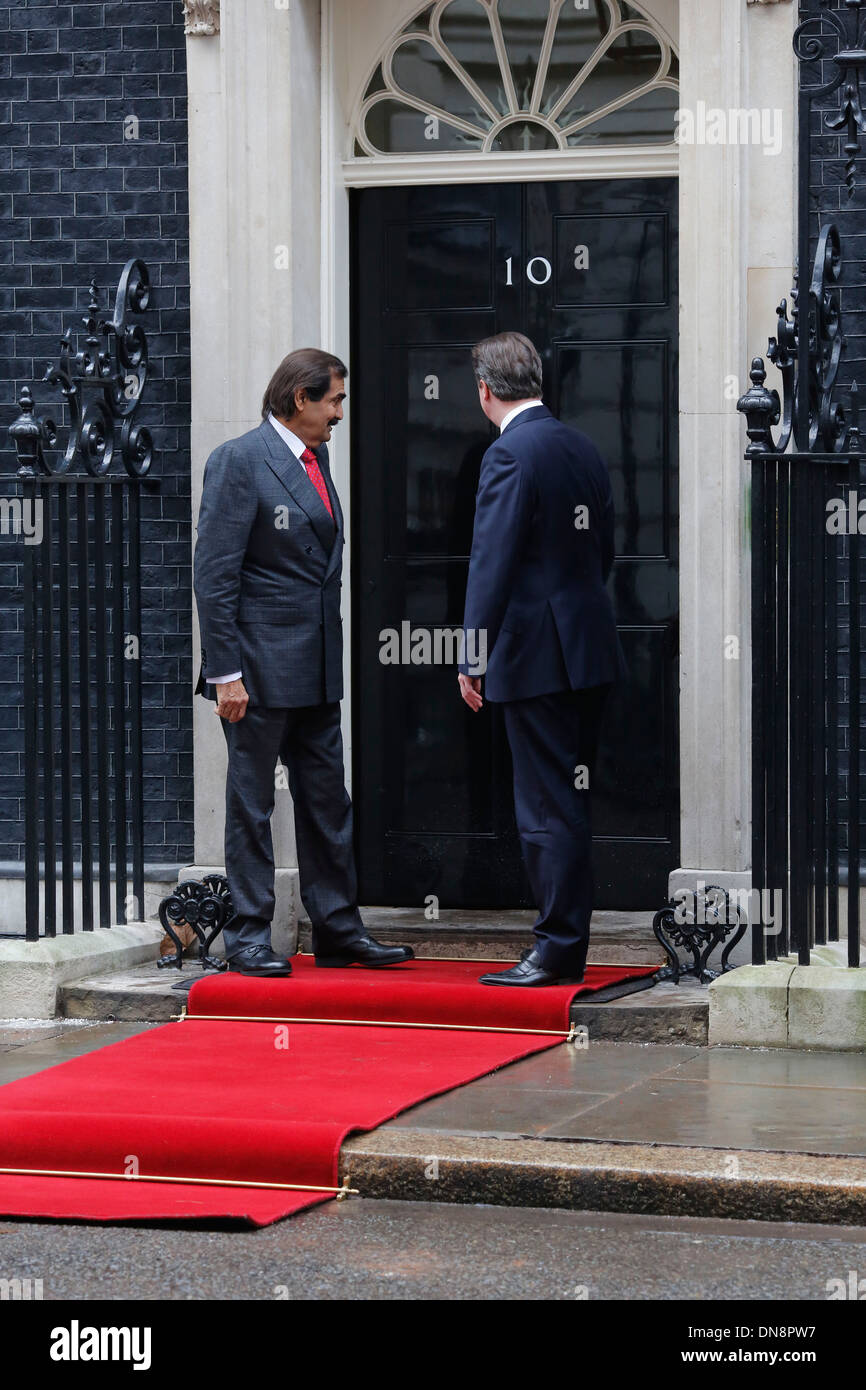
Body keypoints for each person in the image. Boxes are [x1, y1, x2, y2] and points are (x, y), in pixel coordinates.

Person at [194, 348, 413, 978]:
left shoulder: (314, 461)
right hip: (256, 674)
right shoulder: (240, 461)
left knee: (327, 802)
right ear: (301, 398)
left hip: (316, 669)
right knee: (252, 804)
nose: (341, 412)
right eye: (335, 399)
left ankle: (340, 930)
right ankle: (248, 936)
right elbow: (215, 577)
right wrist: (224, 673)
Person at [459, 332, 626, 987]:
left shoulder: (509, 454)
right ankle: (566, 943)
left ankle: (555, 949)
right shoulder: (580, 445)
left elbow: (491, 564)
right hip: (587, 649)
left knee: (545, 807)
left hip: (535, 656)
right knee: (568, 800)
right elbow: (604, 551)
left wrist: (471, 654)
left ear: (484, 390)